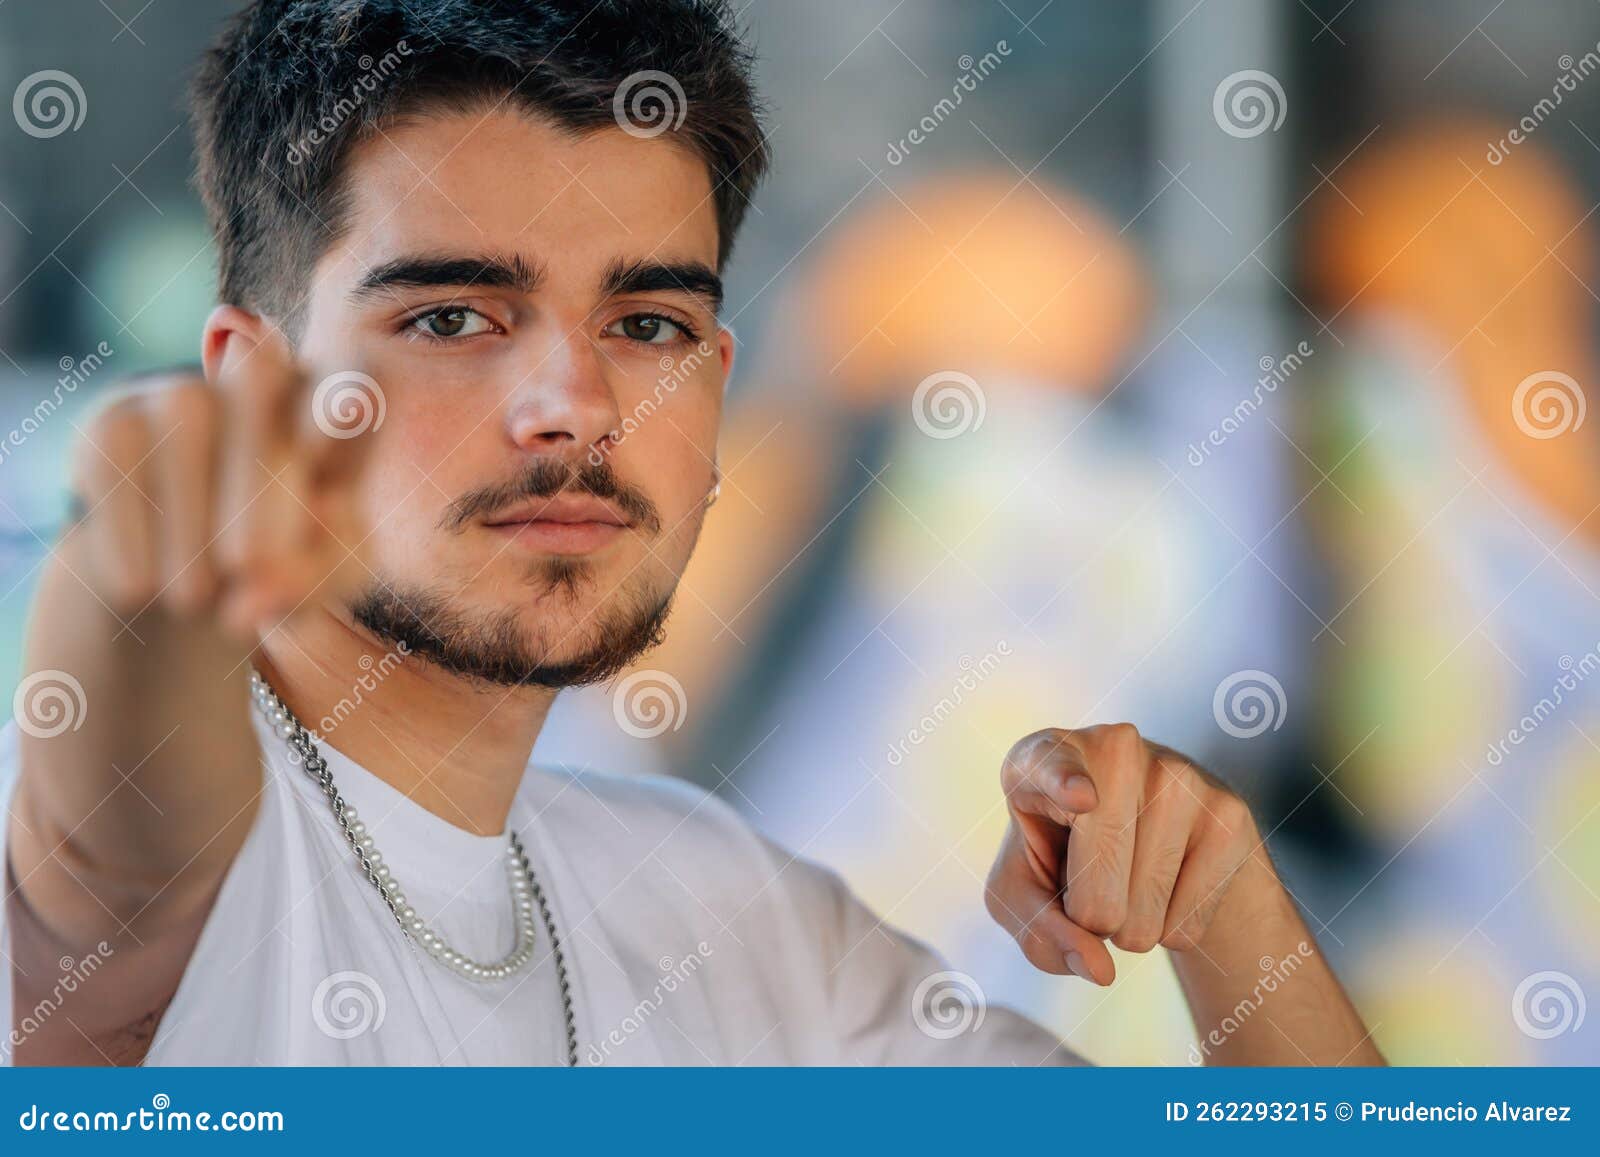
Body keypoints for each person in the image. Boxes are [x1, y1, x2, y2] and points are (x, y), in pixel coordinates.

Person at [0, 0, 1379, 1067]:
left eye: (645, 324)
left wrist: (1225, 903)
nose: (573, 405)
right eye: (451, 317)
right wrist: (141, 572)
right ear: (253, 380)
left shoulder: (739, 919)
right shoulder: (168, 875)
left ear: (716, 387)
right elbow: (117, 837)